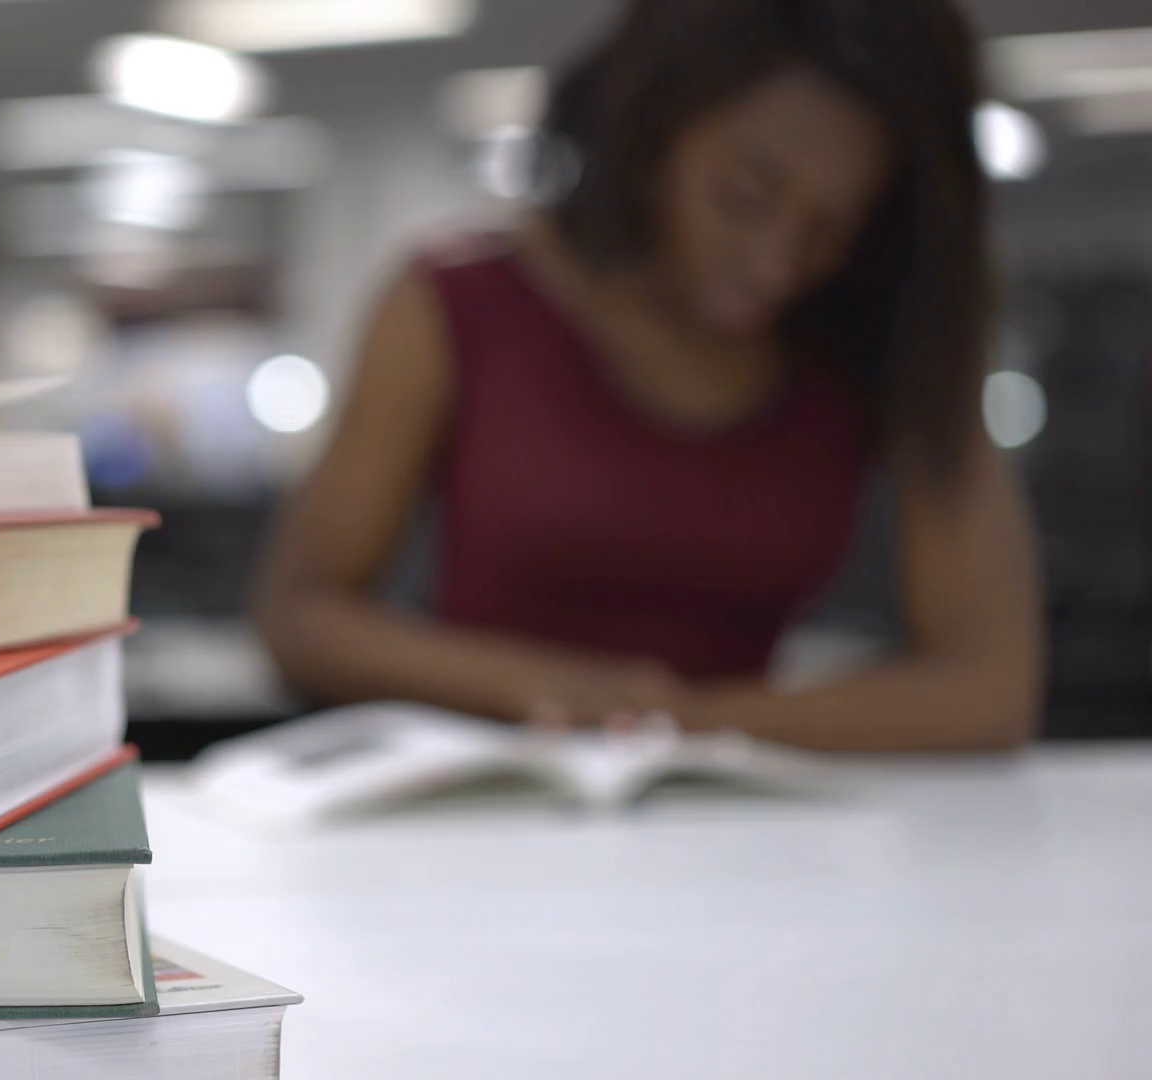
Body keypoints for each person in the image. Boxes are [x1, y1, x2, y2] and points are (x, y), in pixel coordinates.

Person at [252, 0, 1043, 752]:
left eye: (833, 229)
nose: (775, 265)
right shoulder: (460, 304)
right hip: (492, 797)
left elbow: (987, 686)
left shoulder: (876, 334)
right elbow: (301, 616)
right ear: (655, 125)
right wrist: (544, 687)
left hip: (740, 803)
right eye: (743, 197)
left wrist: (688, 724)